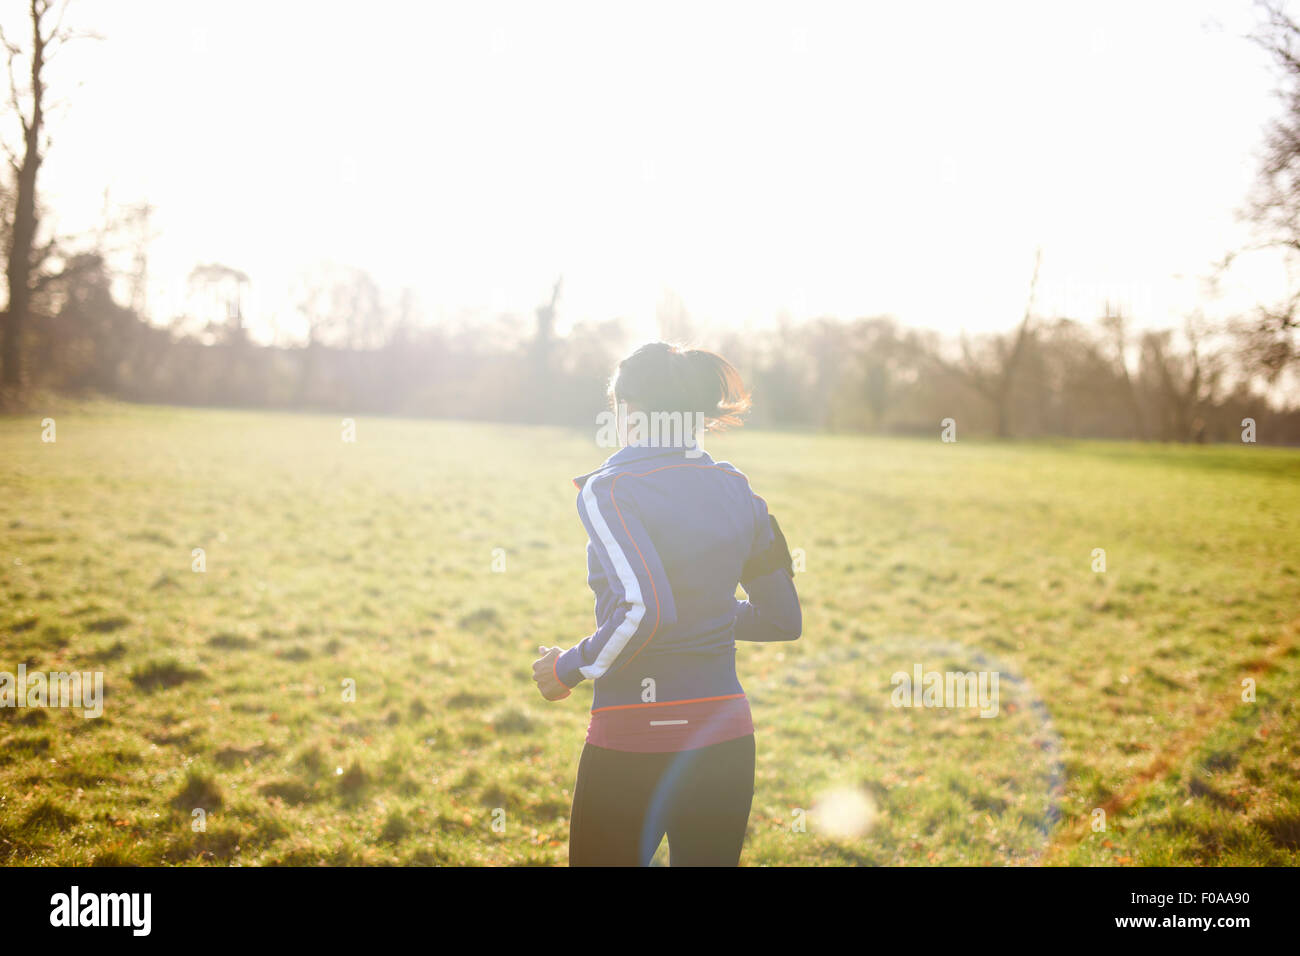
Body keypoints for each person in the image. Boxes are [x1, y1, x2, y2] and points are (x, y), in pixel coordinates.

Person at [531, 342, 801, 866]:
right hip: (726, 737)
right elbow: (781, 618)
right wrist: (709, 612)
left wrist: (566, 667)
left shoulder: (610, 488)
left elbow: (644, 610)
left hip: (635, 737)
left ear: (628, 409)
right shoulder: (739, 489)